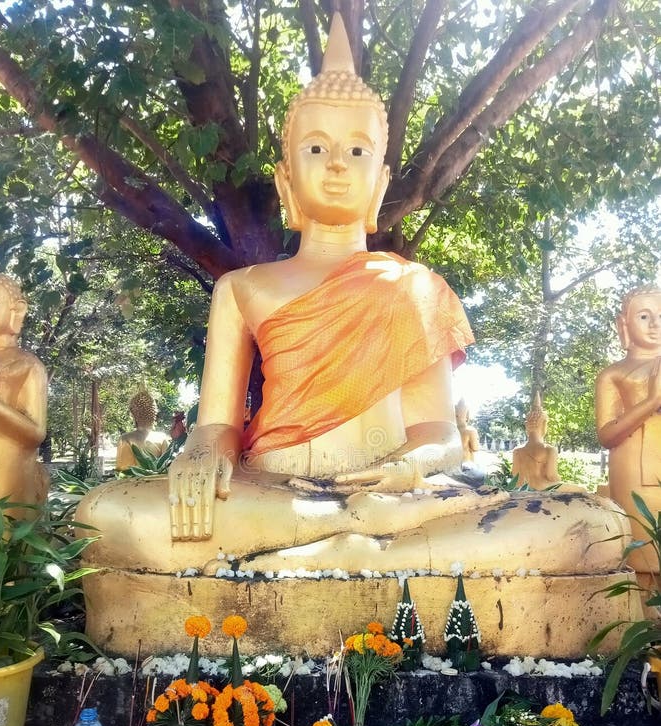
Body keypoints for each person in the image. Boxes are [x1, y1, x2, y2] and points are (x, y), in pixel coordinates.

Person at [76, 16, 630, 659]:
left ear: (381, 183)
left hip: (398, 495)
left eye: (357, 152)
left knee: (590, 526)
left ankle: (326, 554)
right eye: (316, 149)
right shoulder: (245, 288)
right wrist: (202, 456)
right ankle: (358, 541)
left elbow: (437, 437)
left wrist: (403, 471)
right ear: (286, 180)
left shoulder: (414, 286)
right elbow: (217, 425)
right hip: (277, 492)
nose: (337, 165)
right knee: (103, 515)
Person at [596, 286, 661, 576]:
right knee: (645, 561)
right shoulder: (614, 374)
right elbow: (607, 435)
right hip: (635, 471)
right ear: (623, 324)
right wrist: (651, 402)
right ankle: (645, 620)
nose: (656, 324)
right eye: (645, 316)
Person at [0, 273, 48, 514]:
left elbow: (35, 433)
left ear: (16, 311)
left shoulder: (27, 365)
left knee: (5, 540)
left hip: (8, 473)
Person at [115, 387, 170, 471]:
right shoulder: (162, 438)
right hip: (158, 482)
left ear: (133, 414)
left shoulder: (125, 439)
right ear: (154, 413)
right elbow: (167, 469)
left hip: (134, 483)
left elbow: (123, 472)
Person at [511, 394, 560, 491]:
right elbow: (552, 476)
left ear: (526, 426)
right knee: (581, 489)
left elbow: (515, 477)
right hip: (542, 487)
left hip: (520, 488)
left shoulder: (517, 451)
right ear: (545, 425)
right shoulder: (549, 450)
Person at [455, 399, 480, 468]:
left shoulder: (450, 430)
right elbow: (475, 448)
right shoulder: (470, 430)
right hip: (467, 465)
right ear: (467, 417)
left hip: (454, 466)